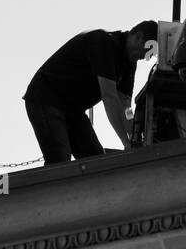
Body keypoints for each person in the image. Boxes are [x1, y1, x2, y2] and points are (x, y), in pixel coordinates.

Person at [24, 22, 157, 166]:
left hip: (72, 109)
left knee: (94, 158)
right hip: (46, 97)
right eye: (143, 53)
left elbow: (126, 106)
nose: (142, 58)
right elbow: (109, 97)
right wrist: (126, 142)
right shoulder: (104, 43)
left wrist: (133, 136)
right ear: (138, 37)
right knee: (60, 158)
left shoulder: (130, 62)